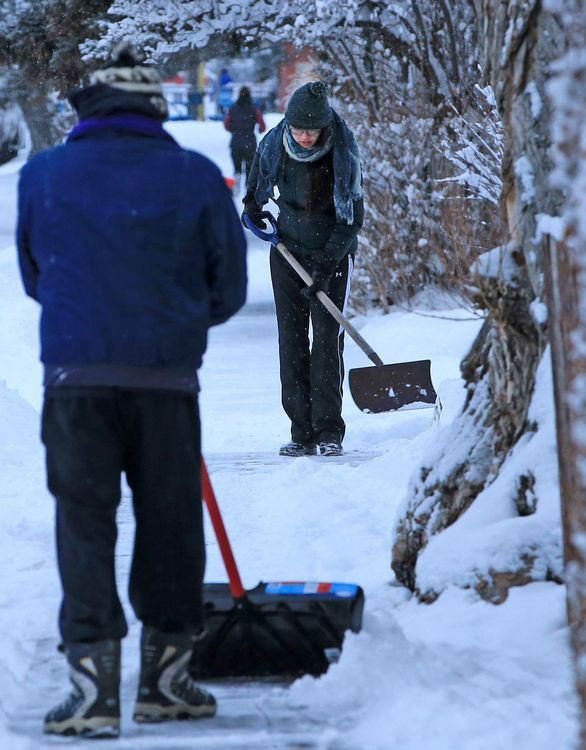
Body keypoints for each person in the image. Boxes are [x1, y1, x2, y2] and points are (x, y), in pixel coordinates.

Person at [16, 44, 247, 738]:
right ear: (155, 108)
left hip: (75, 383)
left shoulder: (44, 174)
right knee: (170, 521)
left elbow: (36, 276)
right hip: (165, 382)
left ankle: (91, 683)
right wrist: (172, 322)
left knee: (84, 523)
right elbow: (228, 289)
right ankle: (167, 679)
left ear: (88, 107)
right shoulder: (197, 176)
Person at [242, 81, 364, 458]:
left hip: (332, 253)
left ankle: (329, 431)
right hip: (287, 251)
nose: (304, 137)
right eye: (298, 129)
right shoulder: (275, 143)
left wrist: (327, 264)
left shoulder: (342, 151)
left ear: (324, 126)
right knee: (291, 341)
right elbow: (257, 188)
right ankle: (301, 431)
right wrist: (253, 208)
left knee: (327, 341)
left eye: (311, 130)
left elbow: (352, 218)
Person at [223, 85, 265, 189]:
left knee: (237, 168)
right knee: (250, 170)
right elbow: (262, 127)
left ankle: (237, 182)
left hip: (236, 142)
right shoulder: (254, 109)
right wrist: (258, 129)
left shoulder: (232, 109)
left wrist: (234, 130)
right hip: (250, 143)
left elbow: (226, 124)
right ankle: (248, 190)